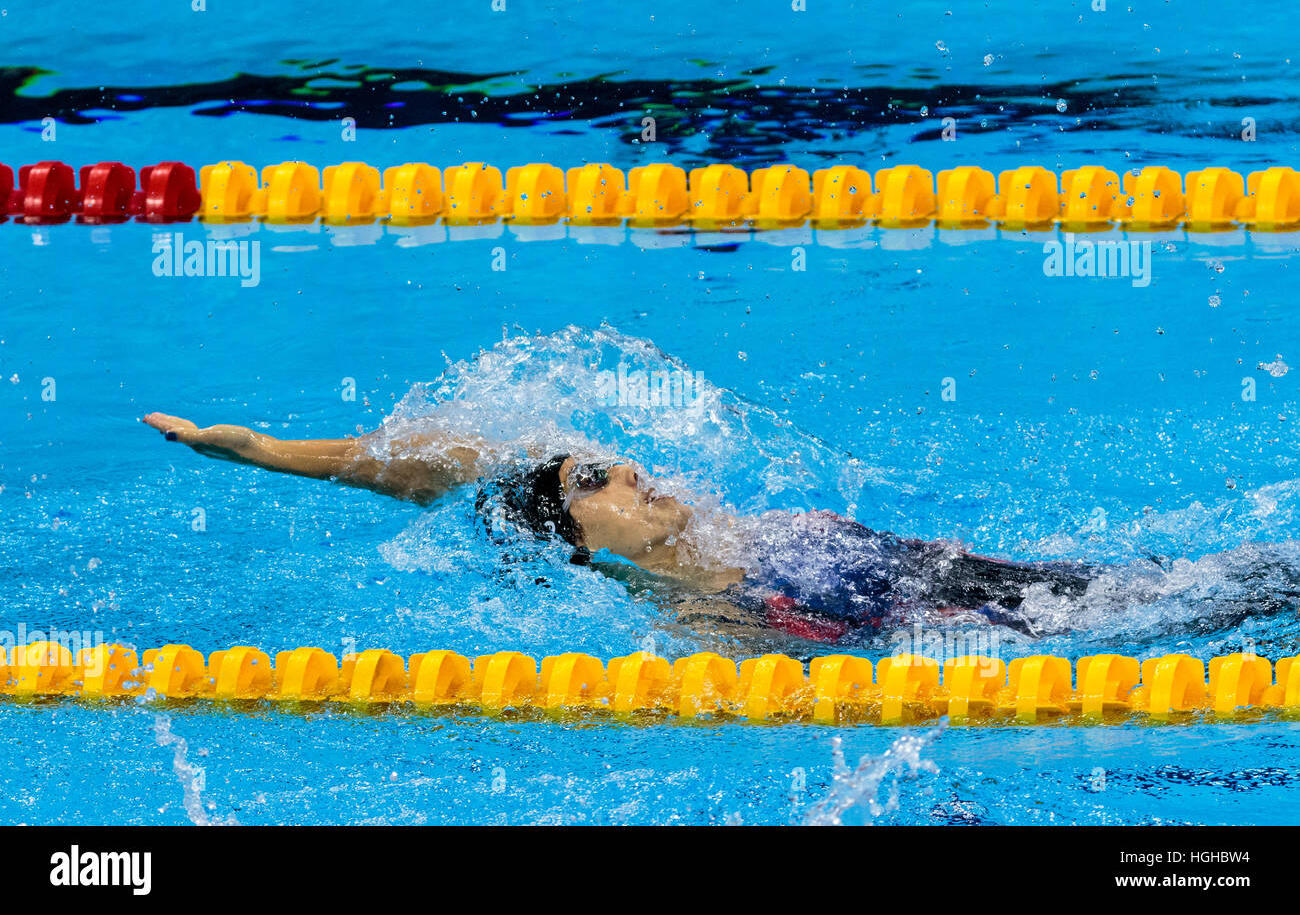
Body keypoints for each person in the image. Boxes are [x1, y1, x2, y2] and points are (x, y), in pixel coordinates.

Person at [142, 410, 1098, 642]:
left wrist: (271, 448)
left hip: (1069, 585)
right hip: (1076, 632)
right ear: (581, 545)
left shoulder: (732, 538)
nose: (633, 470)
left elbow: (450, 462)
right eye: (597, 479)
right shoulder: (708, 622)